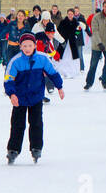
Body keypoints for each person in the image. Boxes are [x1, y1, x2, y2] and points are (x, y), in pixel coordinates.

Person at [4, 33, 65, 163]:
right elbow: (8, 79)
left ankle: (36, 148)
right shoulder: (15, 61)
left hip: (36, 97)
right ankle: (13, 150)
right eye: (24, 46)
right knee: (17, 124)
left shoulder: (42, 59)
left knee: (36, 123)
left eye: (30, 45)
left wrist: (59, 87)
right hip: (20, 98)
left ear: (35, 46)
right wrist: (12, 94)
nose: (27, 48)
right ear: (20, 47)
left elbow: (53, 73)